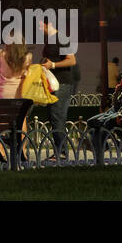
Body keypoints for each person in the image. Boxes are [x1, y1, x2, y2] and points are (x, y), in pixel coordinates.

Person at [40, 20, 79, 157]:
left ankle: (62, 152)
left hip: (62, 83)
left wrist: (53, 65)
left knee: (57, 116)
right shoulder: (50, 40)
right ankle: (60, 150)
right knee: (53, 116)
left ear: (48, 24)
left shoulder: (61, 38)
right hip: (53, 84)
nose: (39, 28)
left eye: (40, 25)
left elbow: (71, 60)